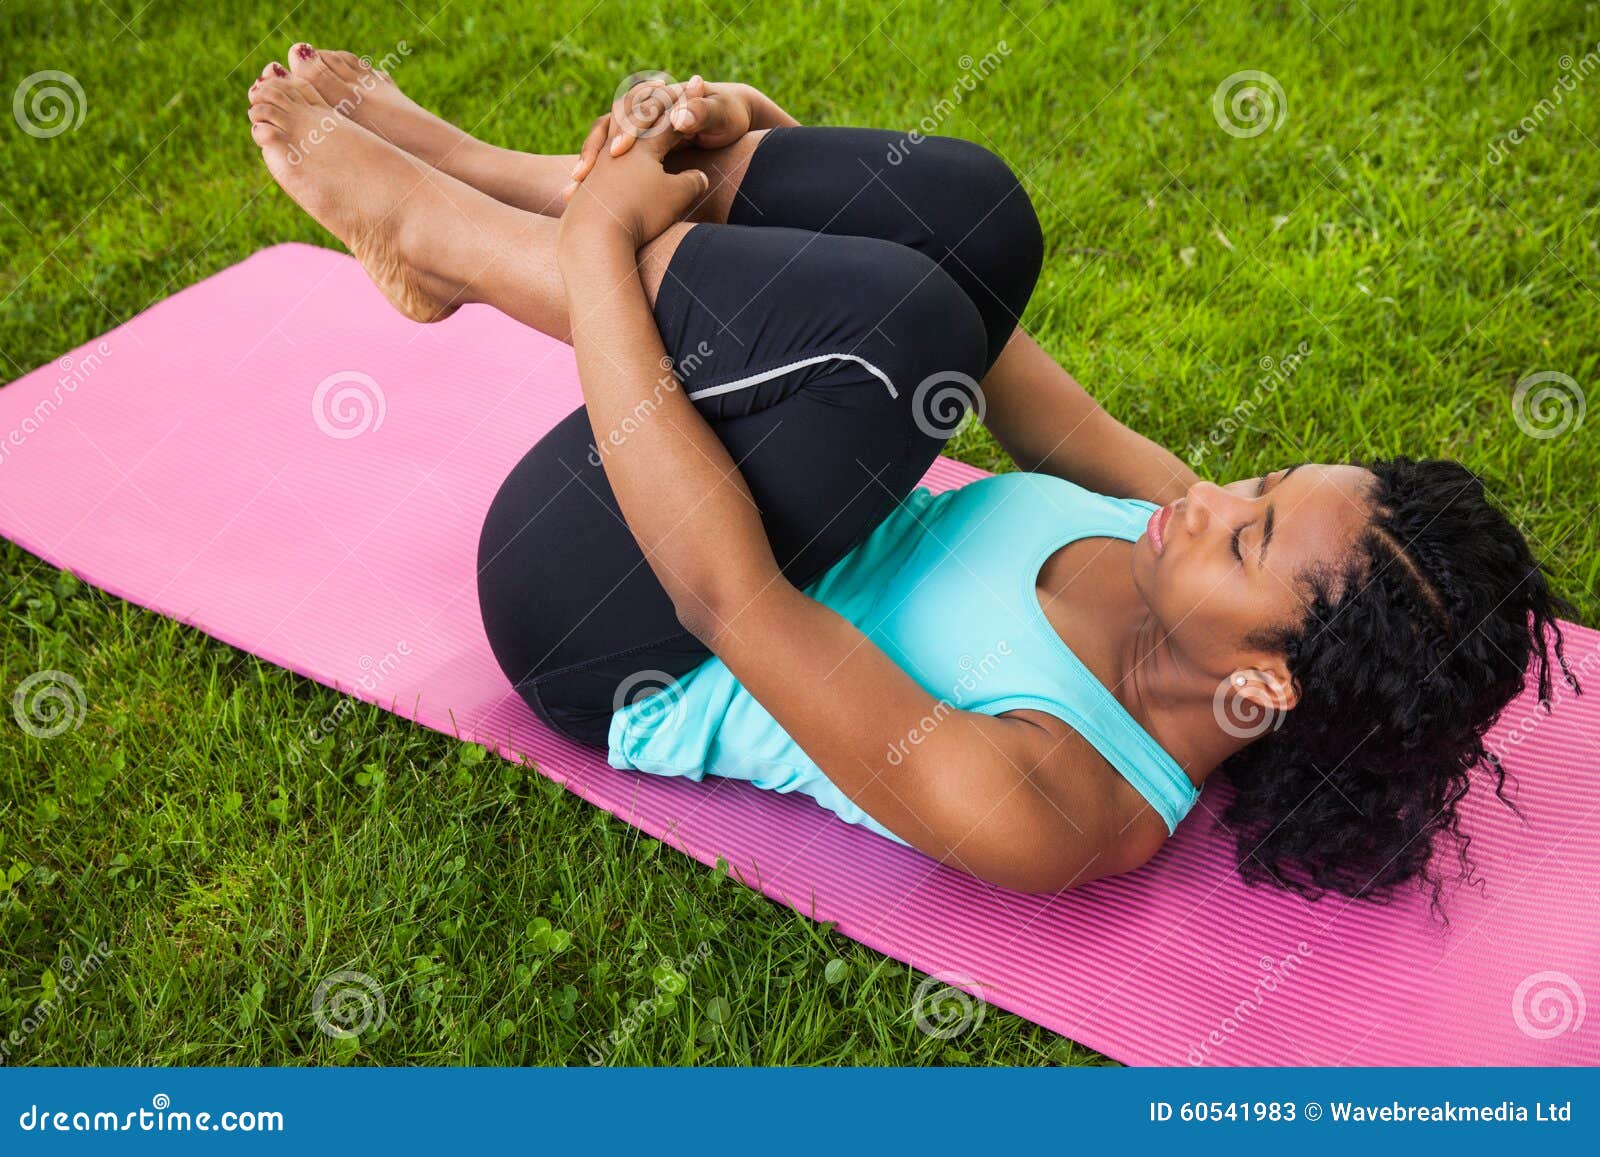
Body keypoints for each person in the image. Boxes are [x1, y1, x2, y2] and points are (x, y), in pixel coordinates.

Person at [246, 48, 1575, 909]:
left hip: (618, 614)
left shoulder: (1063, 805)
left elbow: (736, 606)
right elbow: (969, 305)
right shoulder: (1174, 519)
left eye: (1248, 537)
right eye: (1261, 480)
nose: (1214, 499)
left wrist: (605, 249)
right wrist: (768, 163)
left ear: (1263, 683)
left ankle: (450, 231)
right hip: (784, 473)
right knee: (981, 229)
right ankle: (490, 180)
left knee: (898, 348)